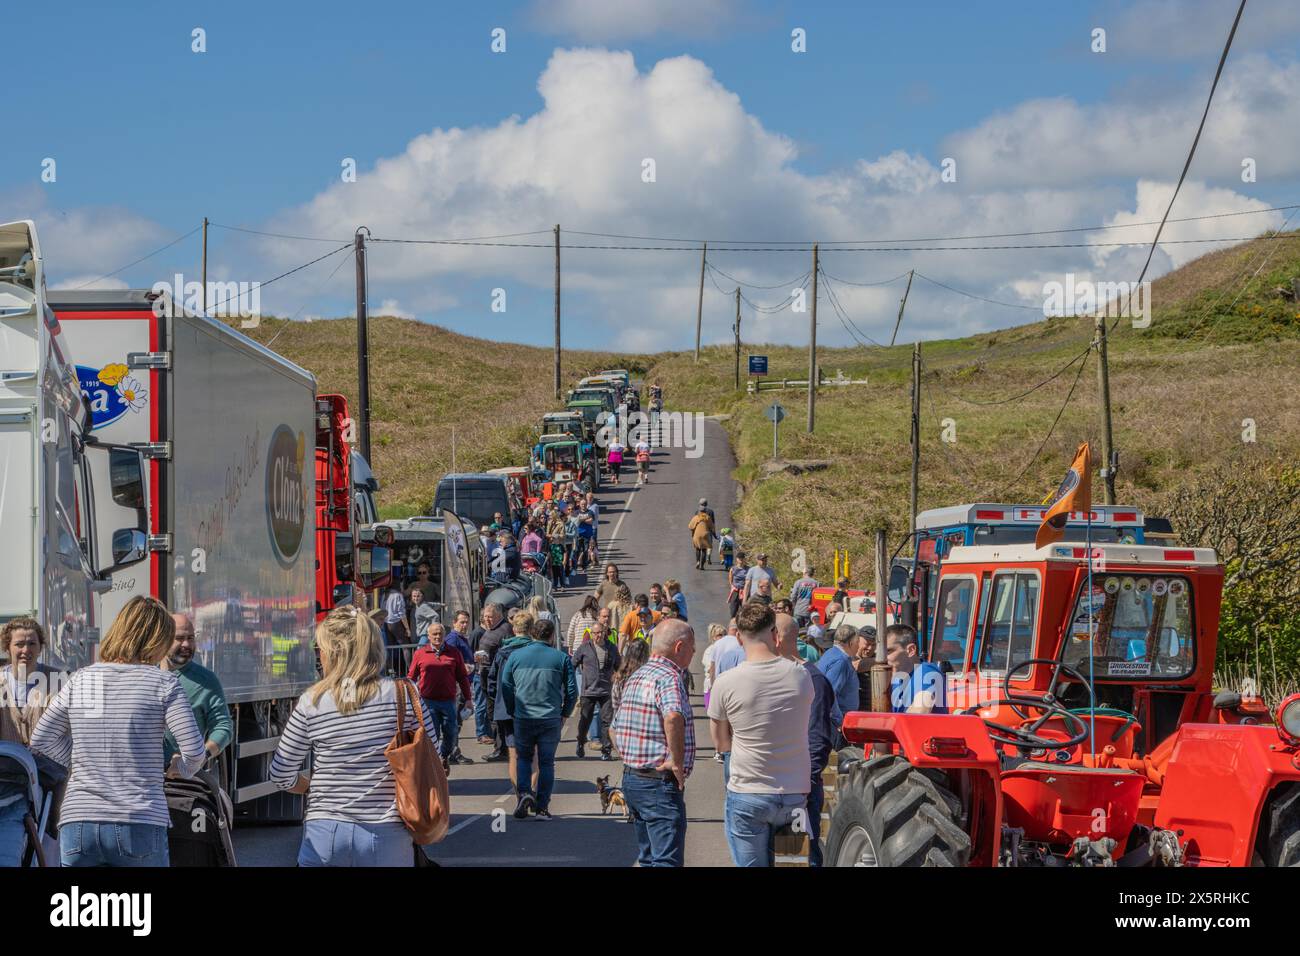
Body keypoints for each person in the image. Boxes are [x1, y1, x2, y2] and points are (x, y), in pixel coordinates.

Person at [31, 597, 205, 867]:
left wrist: (77, 760)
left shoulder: (83, 678)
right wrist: (178, 768)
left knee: (85, 910)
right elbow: (194, 752)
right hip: (138, 819)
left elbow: (41, 739)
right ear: (157, 639)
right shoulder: (163, 683)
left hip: (79, 821)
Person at [270, 606, 437, 866]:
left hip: (325, 833)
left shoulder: (312, 701)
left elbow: (280, 774)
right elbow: (432, 756)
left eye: (321, 649)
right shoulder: (403, 694)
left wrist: (311, 786)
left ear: (333, 654)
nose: (320, 655)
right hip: (386, 833)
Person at [708, 605, 812, 867]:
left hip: (748, 791)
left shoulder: (726, 682)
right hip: (794, 793)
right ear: (774, 633)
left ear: (740, 637)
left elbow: (721, 743)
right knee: (793, 863)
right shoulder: (801, 675)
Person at [610, 620, 696, 867]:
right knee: (666, 860)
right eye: (692, 647)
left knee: (648, 859)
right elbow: (672, 716)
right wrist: (676, 763)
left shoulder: (637, 676)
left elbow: (614, 730)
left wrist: (630, 756)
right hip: (658, 783)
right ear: (679, 647)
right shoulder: (669, 677)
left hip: (633, 778)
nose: (694, 652)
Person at [772, 613, 835, 867]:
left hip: (798, 787)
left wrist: (803, 782)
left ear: (775, 638)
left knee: (798, 856)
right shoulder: (779, 675)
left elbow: (817, 737)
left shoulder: (811, 679)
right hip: (777, 786)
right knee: (785, 856)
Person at [501, 619, 578, 820]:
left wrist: (512, 709)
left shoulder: (516, 656)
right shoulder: (560, 658)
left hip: (523, 717)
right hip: (550, 717)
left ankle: (524, 793)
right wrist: (565, 713)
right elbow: (572, 690)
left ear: (532, 634)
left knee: (524, 758)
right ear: (551, 636)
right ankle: (542, 807)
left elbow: (506, 685)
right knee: (546, 763)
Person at [0, 618, 59, 867]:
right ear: (7, 647)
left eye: (32, 643)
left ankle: (55, 850)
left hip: (47, 768)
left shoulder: (57, 680)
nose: (26, 650)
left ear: (41, 647)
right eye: (20, 644)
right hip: (7, 768)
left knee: (59, 809)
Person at [162, 613, 233, 763]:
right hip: (143, 776)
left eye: (191, 638)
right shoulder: (146, 673)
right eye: (179, 638)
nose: (186, 645)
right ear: (163, 638)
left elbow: (223, 727)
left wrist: (200, 757)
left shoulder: (206, 681)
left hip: (181, 778)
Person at [408, 622, 473, 768]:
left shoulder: (454, 652)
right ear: (428, 636)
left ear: (444, 635)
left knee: (451, 734)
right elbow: (411, 678)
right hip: (427, 702)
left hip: (448, 702)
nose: (437, 637)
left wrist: (468, 699)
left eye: (440, 634)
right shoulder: (420, 653)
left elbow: (462, 677)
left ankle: (444, 755)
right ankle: (436, 763)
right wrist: (410, 699)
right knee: (432, 735)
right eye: (434, 634)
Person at [486, 611, 534, 773]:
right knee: (530, 752)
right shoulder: (535, 651)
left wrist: (497, 698)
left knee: (513, 753)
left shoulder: (502, 652)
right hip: (530, 707)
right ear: (531, 629)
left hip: (505, 707)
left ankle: (520, 791)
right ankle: (530, 789)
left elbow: (491, 680)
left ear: (514, 629)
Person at [573, 624, 621, 760]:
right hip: (588, 691)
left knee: (607, 721)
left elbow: (619, 666)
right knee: (585, 719)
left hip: (606, 690)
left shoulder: (611, 647)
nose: (597, 635)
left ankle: (606, 751)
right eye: (594, 633)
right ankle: (580, 742)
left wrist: (619, 676)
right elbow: (572, 664)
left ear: (604, 632)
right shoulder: (585, 647)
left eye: (599, 632)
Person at [470, 604, 510, 745]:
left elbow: (505, 654)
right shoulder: (489, 629)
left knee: (494, 711)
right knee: (487, 708)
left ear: (498, 616)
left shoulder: (504, 630)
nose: (487, 619)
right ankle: (495, 741)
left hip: (495, 678)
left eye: (490, 616)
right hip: (484, 674)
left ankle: (500, 744)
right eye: (485, 616)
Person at [886, 624, 948, 714]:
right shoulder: (897, 679)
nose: (883, 658)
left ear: (911, 650)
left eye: (888, 651)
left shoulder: (927, 672)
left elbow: (920, 711)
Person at [818, 624, 863, 746]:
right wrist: (839, 722)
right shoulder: (841, 661)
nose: (859, 646)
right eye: (858, 642)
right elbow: (829, 694)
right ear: (851, 643)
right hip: (836, 725)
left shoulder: (830, 654)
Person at [443, 611, 475, 765]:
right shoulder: (452, 639)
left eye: (466, 622)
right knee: (454, 721)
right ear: (454, 622)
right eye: (462, 622)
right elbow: (448, 661)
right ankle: (452, 752)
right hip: (456, 686)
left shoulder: (461, 638)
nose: (464, 625)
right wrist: (463, 667)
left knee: (457, 720)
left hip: (463, 684)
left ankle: (453, 751)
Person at [382, 582, 409, 674]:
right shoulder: (397, 595)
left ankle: (391, 670)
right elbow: (402, 613)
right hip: (396, 622)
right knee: (406, 647)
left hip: (386, 622)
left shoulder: (384, 594)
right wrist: (407, 628)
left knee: (389, 647)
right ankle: (410, 670)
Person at [700, 623, 726, 711]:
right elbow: (710, 669)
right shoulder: (710, 650)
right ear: (713, 637)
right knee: (712, 714)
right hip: (710, 686)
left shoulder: (728, 649)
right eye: (719, 635)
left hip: (724, 686)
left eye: (724, 634)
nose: (722, 637)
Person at [854, 625, 877, 712]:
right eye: (867, 644)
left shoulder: (878, 657)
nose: (870, 648)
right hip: (856, 711)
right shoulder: (850, 658)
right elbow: (855, 666)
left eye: (873, 645)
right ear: (857, 641)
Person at [688, 504, 714, 570]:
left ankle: (698, 562)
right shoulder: (708, 517)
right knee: (704, 550)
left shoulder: (696, 517)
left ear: (699, 510)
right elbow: (712, 527)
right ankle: (702, 565)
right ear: (705, 511)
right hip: (705, 535)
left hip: (697, 535)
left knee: (698, 549)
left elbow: (690, 526)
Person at [727, 553, 749, 618]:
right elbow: (730, 578)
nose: (741, 560)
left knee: (745, 610)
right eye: (739, 558)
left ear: (745, 559)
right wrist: (732, 586)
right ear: (737, 559)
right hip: (735, 591)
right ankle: (733, 623)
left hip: (745, 591)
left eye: (742, 558)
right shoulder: (733, 569)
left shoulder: (748, 569)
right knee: (733, 610)